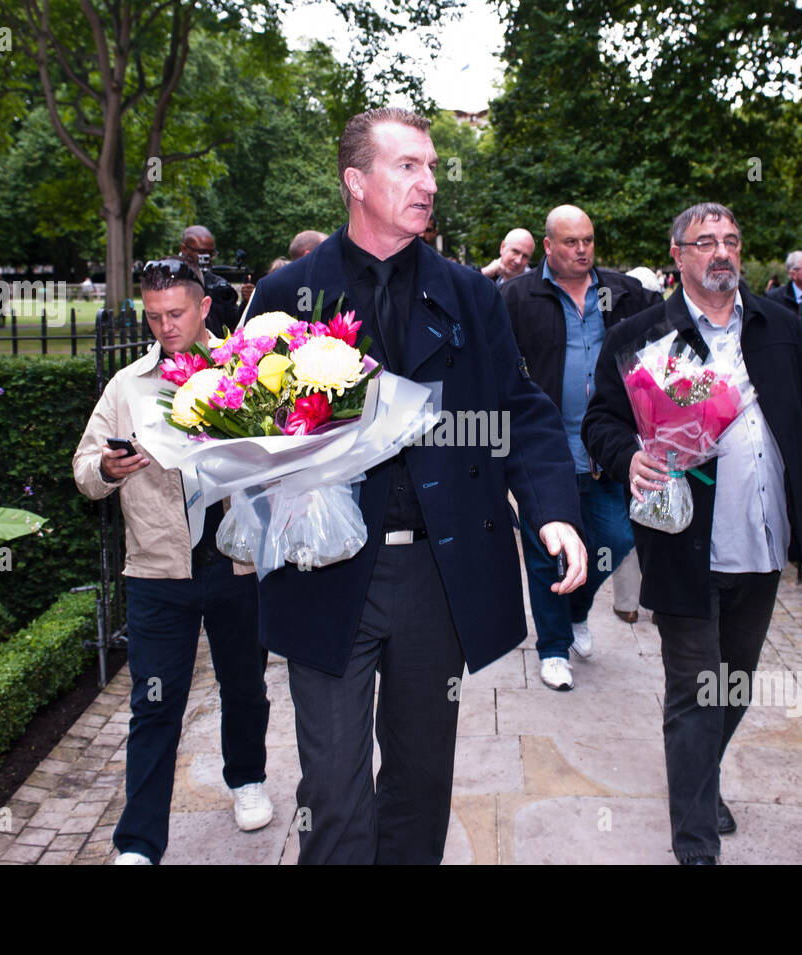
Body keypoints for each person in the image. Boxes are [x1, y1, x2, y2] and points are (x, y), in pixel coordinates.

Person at [244, 107, 587, 865]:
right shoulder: (287, 294)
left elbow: (521, 410)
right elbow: (242, 430)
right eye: (408, 167)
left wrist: (554, 511)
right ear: (355, 181)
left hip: (440, 573)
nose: (428, 183)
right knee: (333, 792)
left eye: (431, 167)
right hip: (325, 568)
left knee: (422, 783)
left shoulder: (469, 294)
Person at [582, 201, 802, 865]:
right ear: (678, 254)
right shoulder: (639, 335)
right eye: (705, 241)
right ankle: (694, 842)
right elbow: (601, 422)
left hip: (762, 538)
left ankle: (704, 775)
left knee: (736, 682)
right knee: (693, 690)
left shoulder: (779, 326)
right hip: (685, 541)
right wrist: (625, 455)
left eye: (731, 240)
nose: (721, 251)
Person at [72, 255, 272, 865]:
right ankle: (138, 843)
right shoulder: (126, 385)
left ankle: (246, 779)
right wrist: (106, 468)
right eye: (153, 316)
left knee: (245, 686)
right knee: (154, 704)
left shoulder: (252, 369)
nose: (164, 327)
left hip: (235, 562)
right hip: (158, 570)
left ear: (204, 306)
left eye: (175, 313)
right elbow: (83, 470)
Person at [500, 205, 660, 690]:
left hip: (608, 449)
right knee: (545, 551)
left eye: (588, 240)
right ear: (548, 247)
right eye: (571, 242)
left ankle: (576, 609)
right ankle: (551, 647)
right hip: (545, 451)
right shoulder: (516, 297)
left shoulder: (625, 293)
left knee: (615, 540)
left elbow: (674, 327)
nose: (582, 249)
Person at [180, 225, 242, 336]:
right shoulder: (171, 282)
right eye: (202, 252)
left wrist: (245, 302)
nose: (207, 258)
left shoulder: (218, 284)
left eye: (211, 253)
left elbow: (234, 322)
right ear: (184, 249)